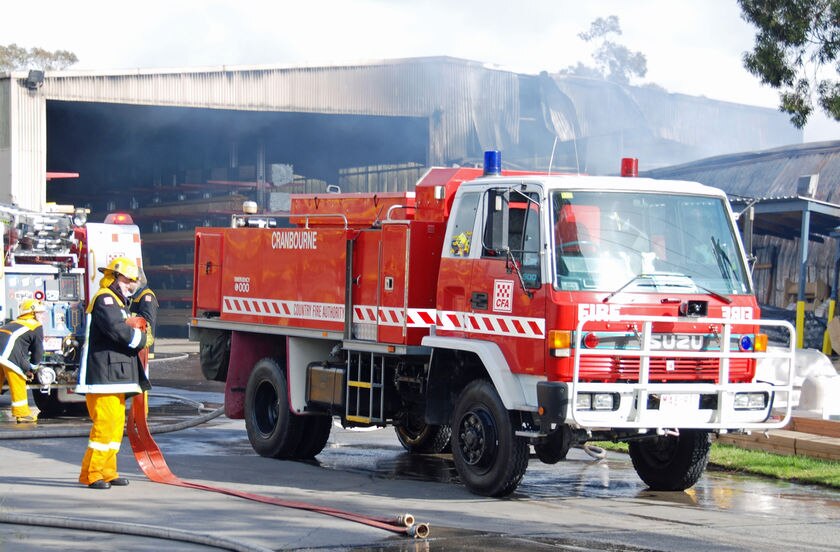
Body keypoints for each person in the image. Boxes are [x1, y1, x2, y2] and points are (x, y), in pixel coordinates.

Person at [76, 256, 152, 490]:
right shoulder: (105, 299)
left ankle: (107, 472)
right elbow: (118, 331)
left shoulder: (116, 301)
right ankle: (93, 474)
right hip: (103, 376)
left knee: (114, 426)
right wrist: (141, 339)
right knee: (105, 425)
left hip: (113, 377)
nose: (132, 286)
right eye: (130, 281)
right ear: (118, 277)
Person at [0, 298, 46, 423]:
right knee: (18, 381)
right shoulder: (35, 326)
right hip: (9, 355)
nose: (43, 316)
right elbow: (38, 350)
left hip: (2, 353)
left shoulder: (14, 323)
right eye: (40, 313)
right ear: (32, 313)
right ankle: (22, 414)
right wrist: (33, 368)